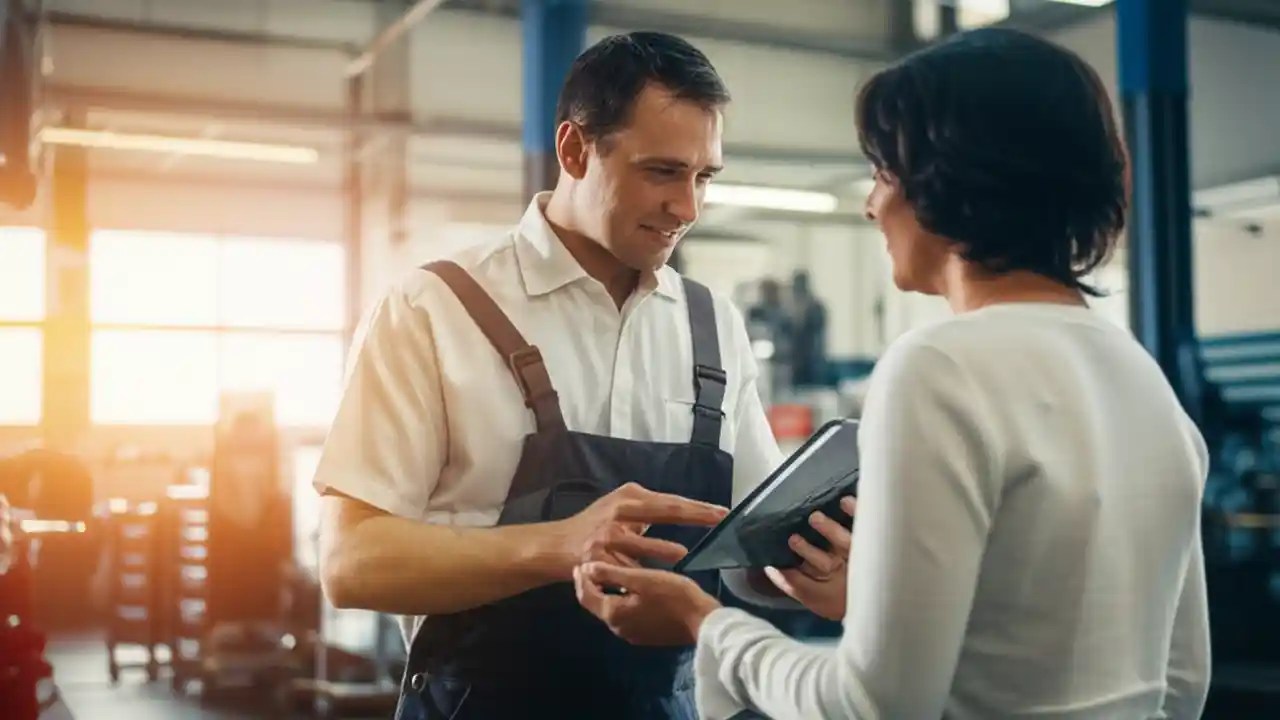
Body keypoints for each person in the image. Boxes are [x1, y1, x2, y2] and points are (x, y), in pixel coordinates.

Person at [574, 28, 1211, 720]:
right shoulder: (1142, 378)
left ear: (950, 180)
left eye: (882, 174)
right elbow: (1181, 683)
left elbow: (871, 707)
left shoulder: (938, 367)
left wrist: (705, 624)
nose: (872, 204)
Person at [313, 32, 844, 720]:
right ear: (573, 150)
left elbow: (743, 546)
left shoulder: (711, 327)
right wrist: (557, 545)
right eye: (661, 172)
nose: (687, 208)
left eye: (703, 177)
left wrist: (803, 567)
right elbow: (351, 563)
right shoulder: (433, 310)